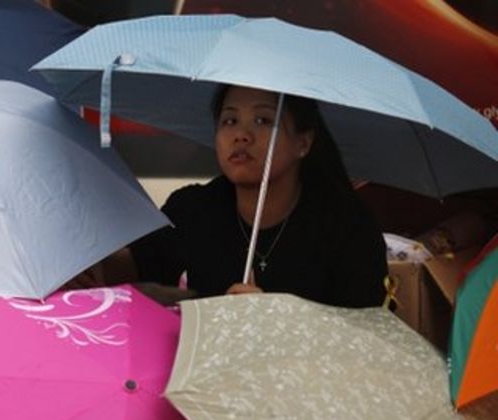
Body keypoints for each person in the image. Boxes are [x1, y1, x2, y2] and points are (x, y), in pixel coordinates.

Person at [112, 84, 388, 308]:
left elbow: (365, 335)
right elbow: (138, 270)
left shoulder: (348, 225)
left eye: (263, 120)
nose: (241, 135)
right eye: (230, 120)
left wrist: (275, 321)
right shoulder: (194, 208)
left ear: (303, 143)